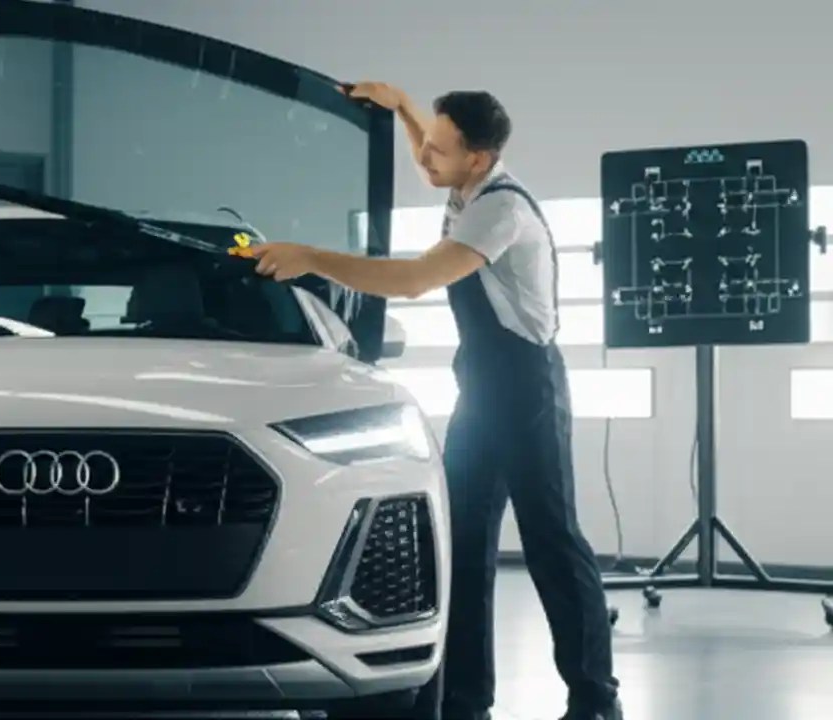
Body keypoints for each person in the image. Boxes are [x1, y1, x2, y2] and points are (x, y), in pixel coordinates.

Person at [250, 83, 623, 720]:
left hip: (528, 386)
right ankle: (465, 699)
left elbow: (417, 280)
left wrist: (311, 256)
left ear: (477, 158)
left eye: (439, 151)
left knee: (552, 541)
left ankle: (596, 701)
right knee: (464, 540)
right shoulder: (466, 181)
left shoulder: (499, 211)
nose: (424, 159)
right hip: (481, 384)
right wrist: (400, 107)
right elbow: (430, 146)